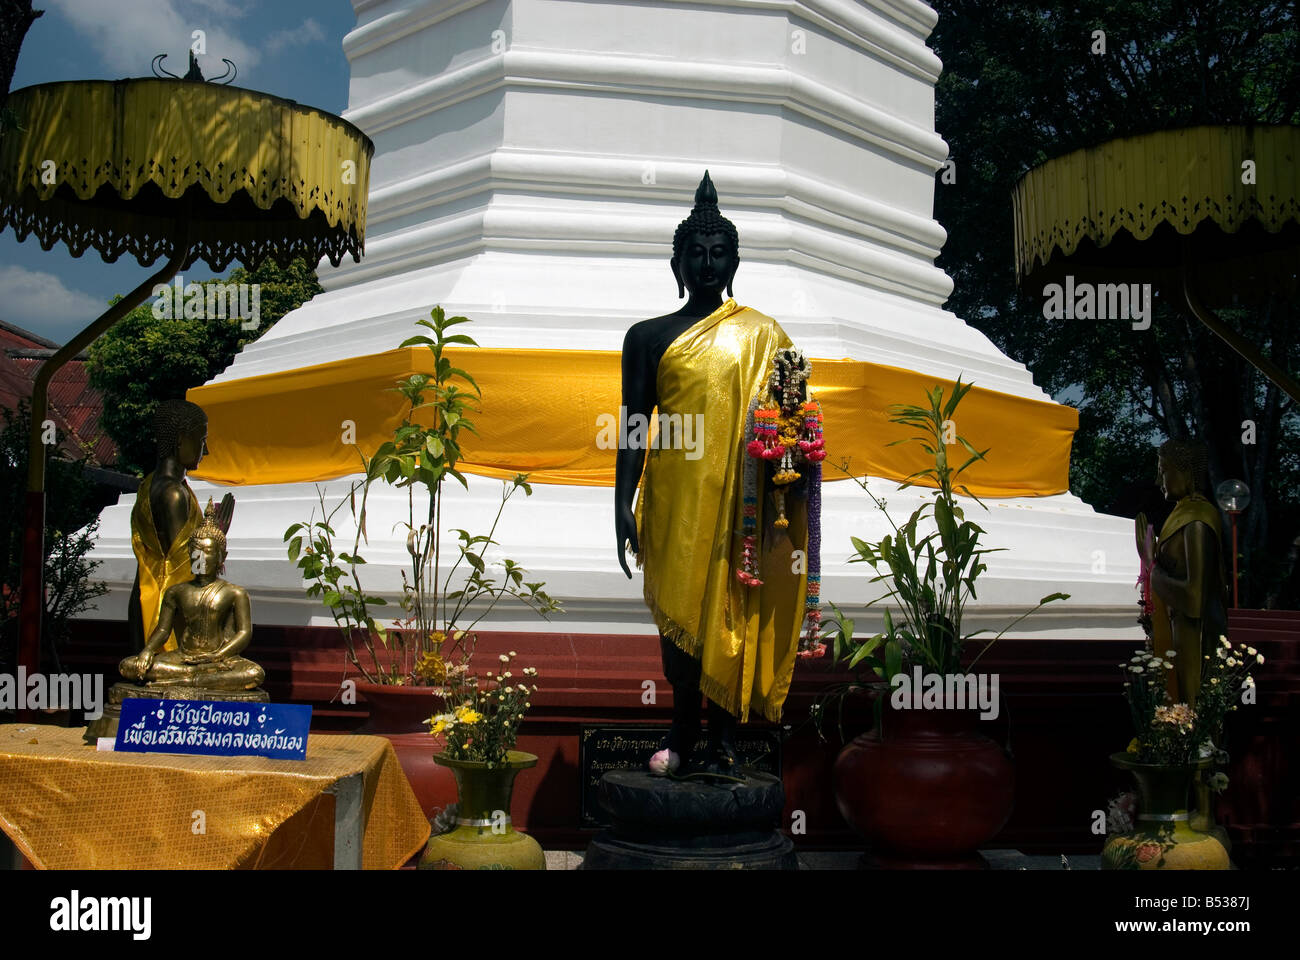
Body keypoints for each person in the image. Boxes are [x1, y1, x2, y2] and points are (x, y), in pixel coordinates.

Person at [615, 172, 811, 776]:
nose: (706, 262)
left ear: (734, 260)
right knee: (679, 617)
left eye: (718, 252)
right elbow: (633, 426)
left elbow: (792, 419)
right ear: (676, 261)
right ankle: (680, 729)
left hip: (741, 502)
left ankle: (724, 735)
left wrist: (789, 467)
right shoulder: (647, 337)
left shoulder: (764, 335)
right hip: (676, 500)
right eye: (694, 253)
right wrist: (620, 502)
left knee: (732, 607)